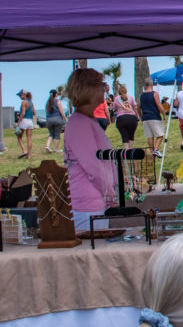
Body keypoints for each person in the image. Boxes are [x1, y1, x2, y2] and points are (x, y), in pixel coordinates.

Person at [64, 68, 115, 232]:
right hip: (88, 203)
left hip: (95, 200)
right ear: (89, 90)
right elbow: (93, 167)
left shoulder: (87, 120)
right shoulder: (79, 124)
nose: (105, 88)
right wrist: (109, 192)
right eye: (101, 85)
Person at [137, 79, 166, 158]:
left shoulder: (141, 95)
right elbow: (159, 105)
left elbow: (138, 107)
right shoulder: (154, 94)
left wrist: (140, 116)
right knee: (160, 135)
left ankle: (152, 152)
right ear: (152, 85)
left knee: (150, 136)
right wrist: (163, 114)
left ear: (145, 86)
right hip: (154, 117)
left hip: (145, 118)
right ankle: (156, 150)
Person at [113, 84, 140, 151]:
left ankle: (126, 152)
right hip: (132, 118)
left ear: (119, 92)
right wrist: (137, 117)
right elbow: (135, 108)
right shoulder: (131, 98)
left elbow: (114, 109)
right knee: (131, 135)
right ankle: (131, 152)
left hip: (121, 119)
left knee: (124, 136)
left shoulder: (116, 99)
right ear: (126, 91)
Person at [45, 89, 67, 153]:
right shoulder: (57, 101)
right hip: (57, 119)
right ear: (56, 94)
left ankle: (47, 145)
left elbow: (46, 112)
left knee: (51, 134)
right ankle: (56, 149)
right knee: (57, 134)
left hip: (49, 120)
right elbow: (61, 111)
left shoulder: (47, 103)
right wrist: (65, 118)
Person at [16, 89, 35, 158]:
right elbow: (34, 113)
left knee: (19, 136)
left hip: (24, 120)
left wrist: (18, 122)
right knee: (29, 138)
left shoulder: (24, 102)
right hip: (30, 121)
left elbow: (23, 113)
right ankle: (29, 156)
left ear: (24, 95)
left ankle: (24, 151)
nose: (19, 97)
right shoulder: (31, 102)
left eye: (20, 95)